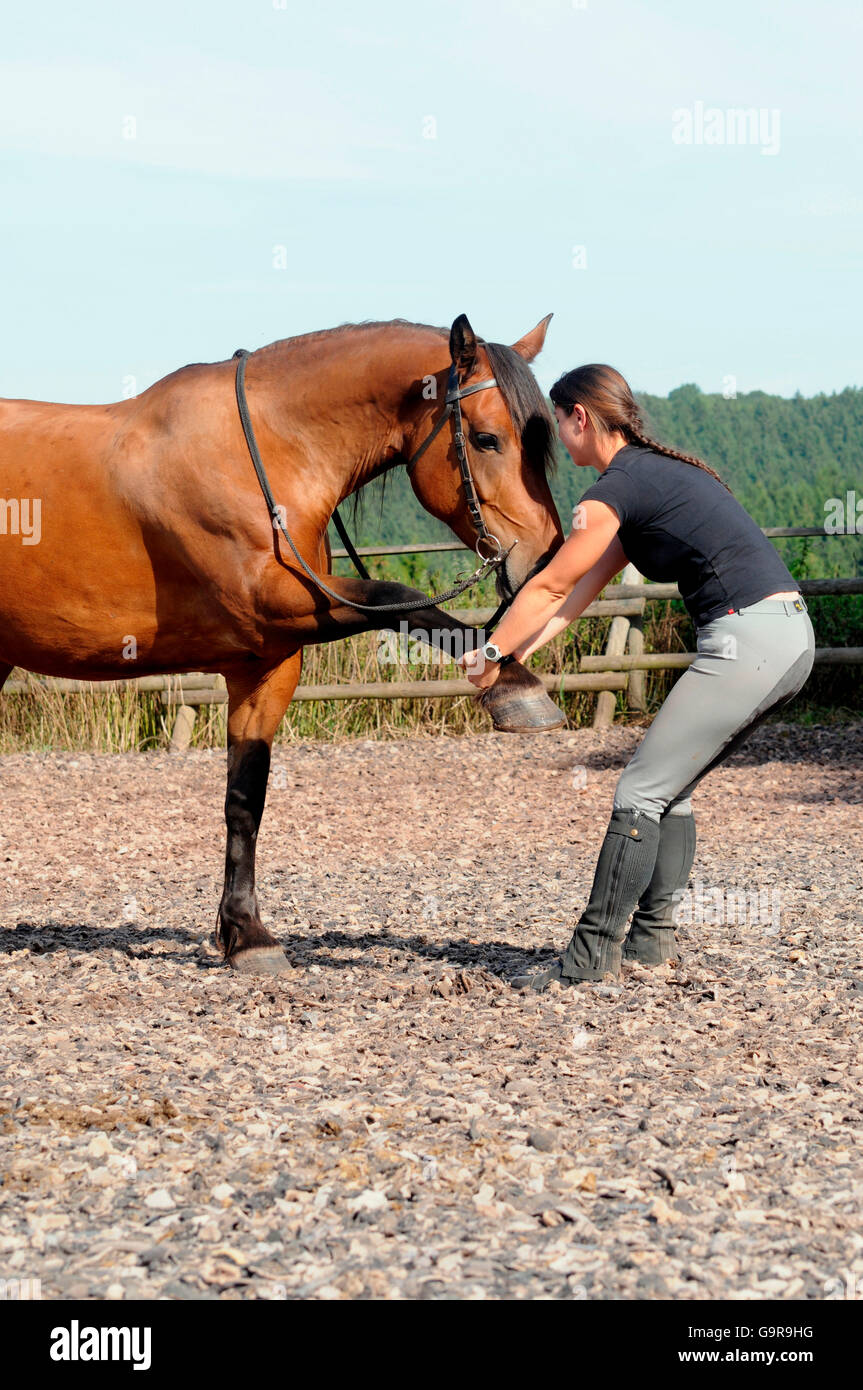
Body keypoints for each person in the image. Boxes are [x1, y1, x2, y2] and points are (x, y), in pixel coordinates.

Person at [458, 364, 815, 989]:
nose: (557, 445)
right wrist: (511, 657)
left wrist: (488, 652)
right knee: (668, 788)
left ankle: (592, 955)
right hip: (781, 636)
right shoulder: (647, 478)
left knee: (639, 792)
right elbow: (571, 603)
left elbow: (549, 585)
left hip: (747, 639)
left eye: (558, 426)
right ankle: (652, 942)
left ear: (580, 418)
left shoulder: (614, 491)